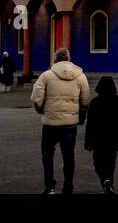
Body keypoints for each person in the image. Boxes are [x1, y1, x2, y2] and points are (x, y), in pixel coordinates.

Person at [30, 47, 91, 194]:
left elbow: (36, 99)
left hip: (50, 124)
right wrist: (80, 118)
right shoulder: (80, 76)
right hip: (70, 125)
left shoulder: (46, 76)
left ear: (55, 59)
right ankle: (68, 186)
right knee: (69, 157)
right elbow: (85, 101)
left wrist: (42, 111)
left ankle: (49, 186)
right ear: (69, 59)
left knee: (47, 156)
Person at [83, 76, 118, 194]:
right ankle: (109, 182)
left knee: (98, 162)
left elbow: (90, 124)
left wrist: (88, 142)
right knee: (111, 161)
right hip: (113, 138)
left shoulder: (95, 102)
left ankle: (105, 181)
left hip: (98, 139)